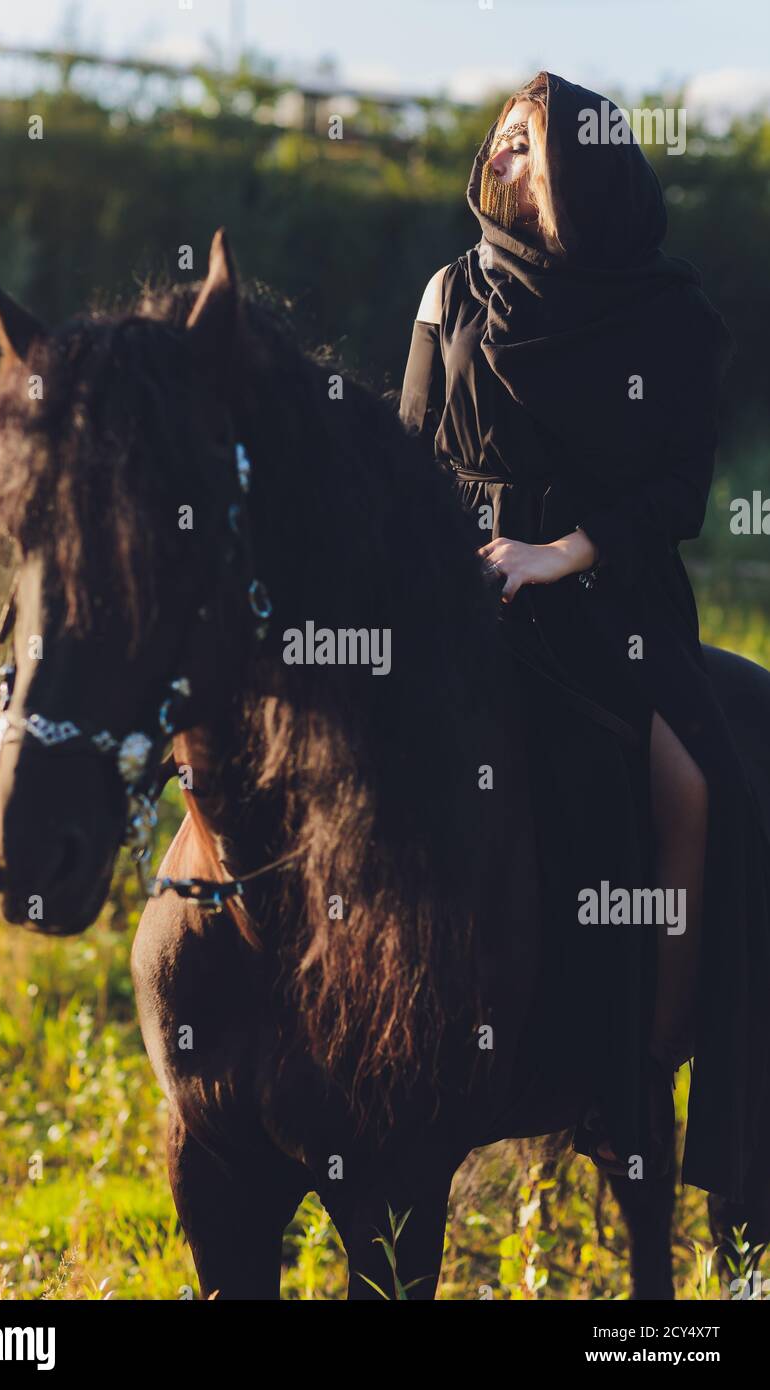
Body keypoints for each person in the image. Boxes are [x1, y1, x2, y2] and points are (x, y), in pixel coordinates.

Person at [399, 70, 770, 1200]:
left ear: (588, 177)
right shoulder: (449, 288)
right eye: (500, 141)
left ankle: (636, 1070)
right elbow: (407, 444)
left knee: (691, 788)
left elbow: (676, 493)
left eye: (530, 147)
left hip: (607, 595)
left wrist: (554, 553)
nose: (500, 160)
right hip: (459, 587)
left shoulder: (666, 312)